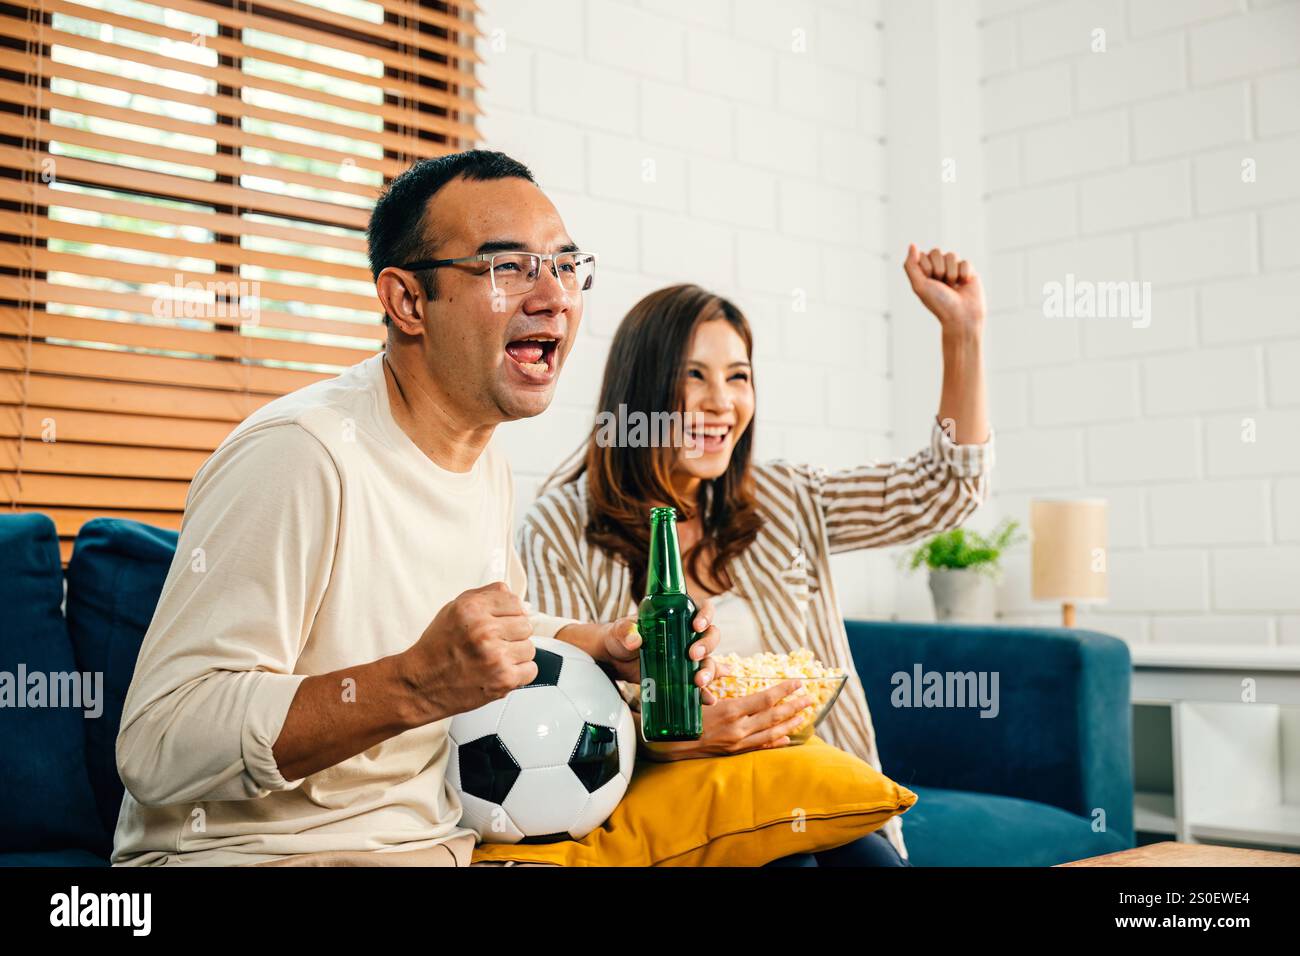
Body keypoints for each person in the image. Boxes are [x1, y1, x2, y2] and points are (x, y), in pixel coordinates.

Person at [111, 149, 725, 866]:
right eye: (507, 267)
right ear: (408, 302)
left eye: (564, 265)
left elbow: (437, 627)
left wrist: (588, 642)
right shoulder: (301, 455)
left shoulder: (482, 457)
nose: (554, 295)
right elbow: (158, 742)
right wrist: (409, 685)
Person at [519, 248, 995, 866]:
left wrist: (963, 333)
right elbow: (563, 711)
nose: (721, 402)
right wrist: (670, 736)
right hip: (675, 811)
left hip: (812, 791)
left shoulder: (787, 499)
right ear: (638, 391)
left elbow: (944, 489)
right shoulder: (559, 526)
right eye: (693, 375)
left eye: (738, 376)